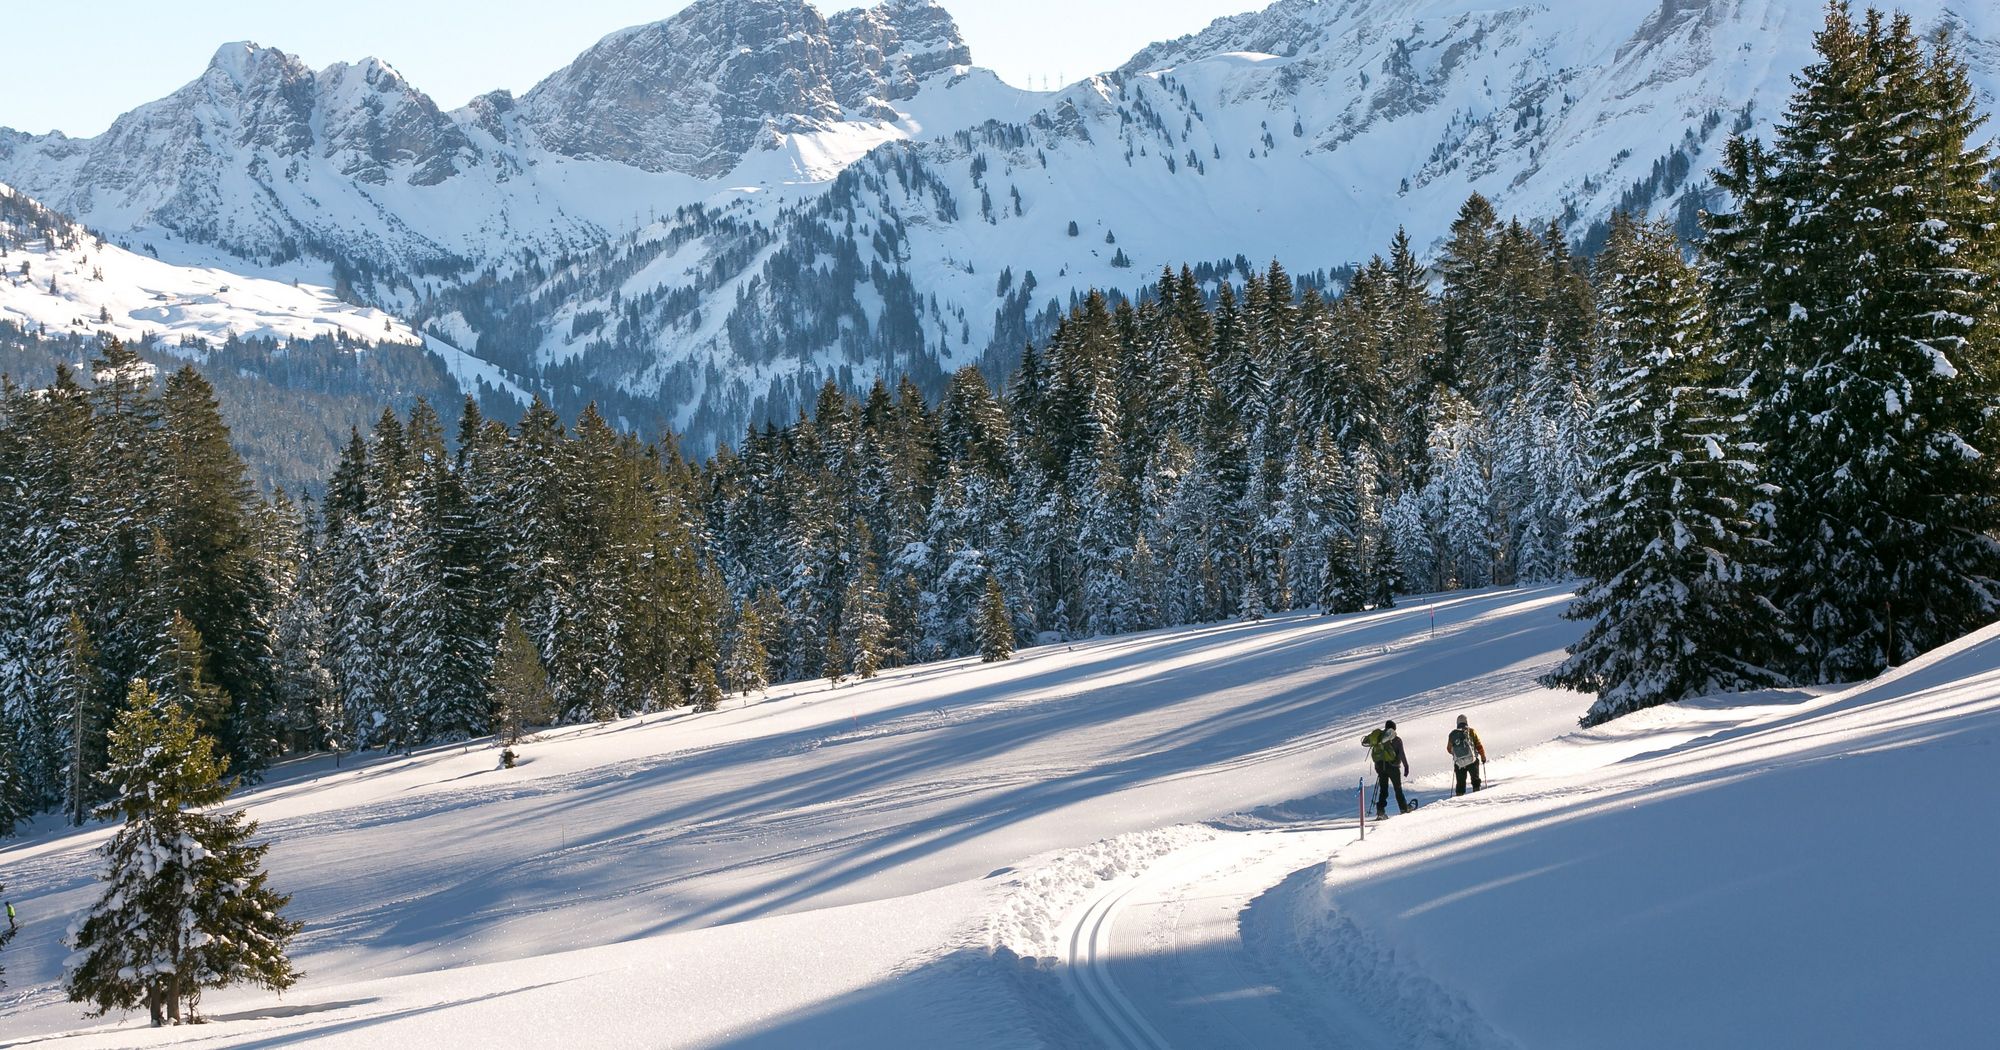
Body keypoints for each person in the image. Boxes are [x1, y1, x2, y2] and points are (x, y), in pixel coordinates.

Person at [1361, 719, 1411, 817]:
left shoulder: (1378, 738)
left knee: (1383, 789)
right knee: (1398, 789)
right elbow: (1401, 754)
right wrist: (1406, 766)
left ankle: (1380, 811)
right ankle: (1404, 809)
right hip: (1393, 767)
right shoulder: (1397, 739)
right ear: (1394, 728)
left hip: (1380, 767)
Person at [1447, 714, 1487, 796]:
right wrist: (1483, 757)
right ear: (1466, 722)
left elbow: (1448, 748)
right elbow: (1479, 746)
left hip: (1459, 763)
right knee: (1475, 780)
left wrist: (1457, 754)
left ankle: (1459, 797)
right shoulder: (1471, 731)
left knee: (1460, 783)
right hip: (1472, 760)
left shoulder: (1453, 734)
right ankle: (1477, 794)